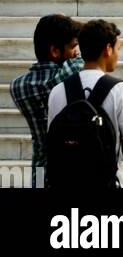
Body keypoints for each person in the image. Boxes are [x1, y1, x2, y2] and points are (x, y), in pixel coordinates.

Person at [46, 19, 123, 188]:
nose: (118, 55)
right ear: (108, 49)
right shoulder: (119, 90)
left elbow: (52, 143)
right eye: (118, 49)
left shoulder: (58, 91)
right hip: (107, 182)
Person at [10, 14, 84, 188]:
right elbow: (88, 53)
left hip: (41, 166)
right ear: (55, 51)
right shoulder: (70, 71)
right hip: (71, 166)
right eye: (73, 46)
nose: (77, 51)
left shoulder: (18, 86)